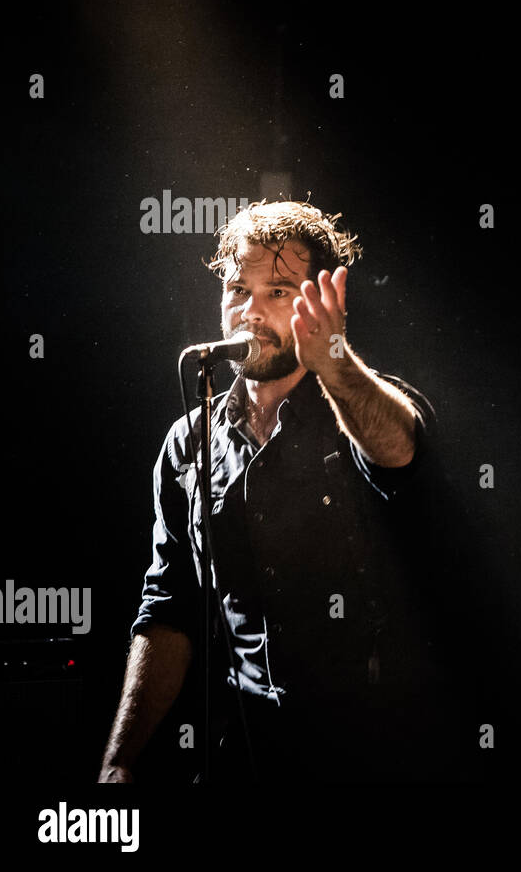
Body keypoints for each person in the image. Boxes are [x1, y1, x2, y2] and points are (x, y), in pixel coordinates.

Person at [98, 200, 458, 782]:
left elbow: (401, 452)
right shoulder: (190, 441)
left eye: (279, 292)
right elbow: (169, 606)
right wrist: (119, 760)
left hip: (375, 753)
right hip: (243, 756)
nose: (251, 313)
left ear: (323, 303)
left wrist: (336, 363)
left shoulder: (362, 404)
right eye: (238, 289)